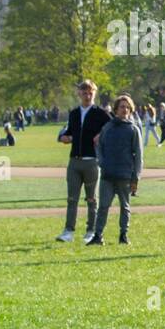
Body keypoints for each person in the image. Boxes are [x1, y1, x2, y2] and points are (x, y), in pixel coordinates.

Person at [56, 80, 110, 244]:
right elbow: (68, 132)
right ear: (79, 93)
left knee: (92, 199)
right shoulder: (73, 113)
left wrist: (101, 135)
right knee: (72, 198)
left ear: (94, 93)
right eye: (84, 92)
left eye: (90, 93)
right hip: (74, 161)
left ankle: (90, 231)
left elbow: (111, 127)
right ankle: (68, 231)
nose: (87, 96)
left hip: (91, 161)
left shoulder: (100, 113)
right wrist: (64, 138)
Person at [89, 94, 143, 246]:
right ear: (116, 109)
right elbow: (99, 145)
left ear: (130, 110)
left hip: (125, 175)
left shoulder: (133, 129)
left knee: (125, 207)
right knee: (103, 206)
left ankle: (123, 235)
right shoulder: (108, 127)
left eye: (127, 107)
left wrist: (136, 177)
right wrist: (101, 161)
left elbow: (138, 155)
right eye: (122, 107)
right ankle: (98, 235)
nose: (124, 109)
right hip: (108, 174)